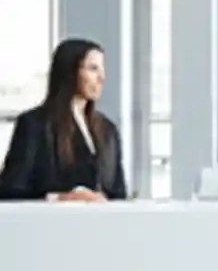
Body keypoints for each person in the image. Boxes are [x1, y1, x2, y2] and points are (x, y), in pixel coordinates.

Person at [0, 38, 127, 202]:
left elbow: (119, 193)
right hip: (51, 224)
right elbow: (10, 189)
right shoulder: (34, 125)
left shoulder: (107, 130)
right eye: (93, 68)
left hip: (103, 224)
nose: (101, 77)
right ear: (70, 71)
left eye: (102, 69)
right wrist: (60, 198)